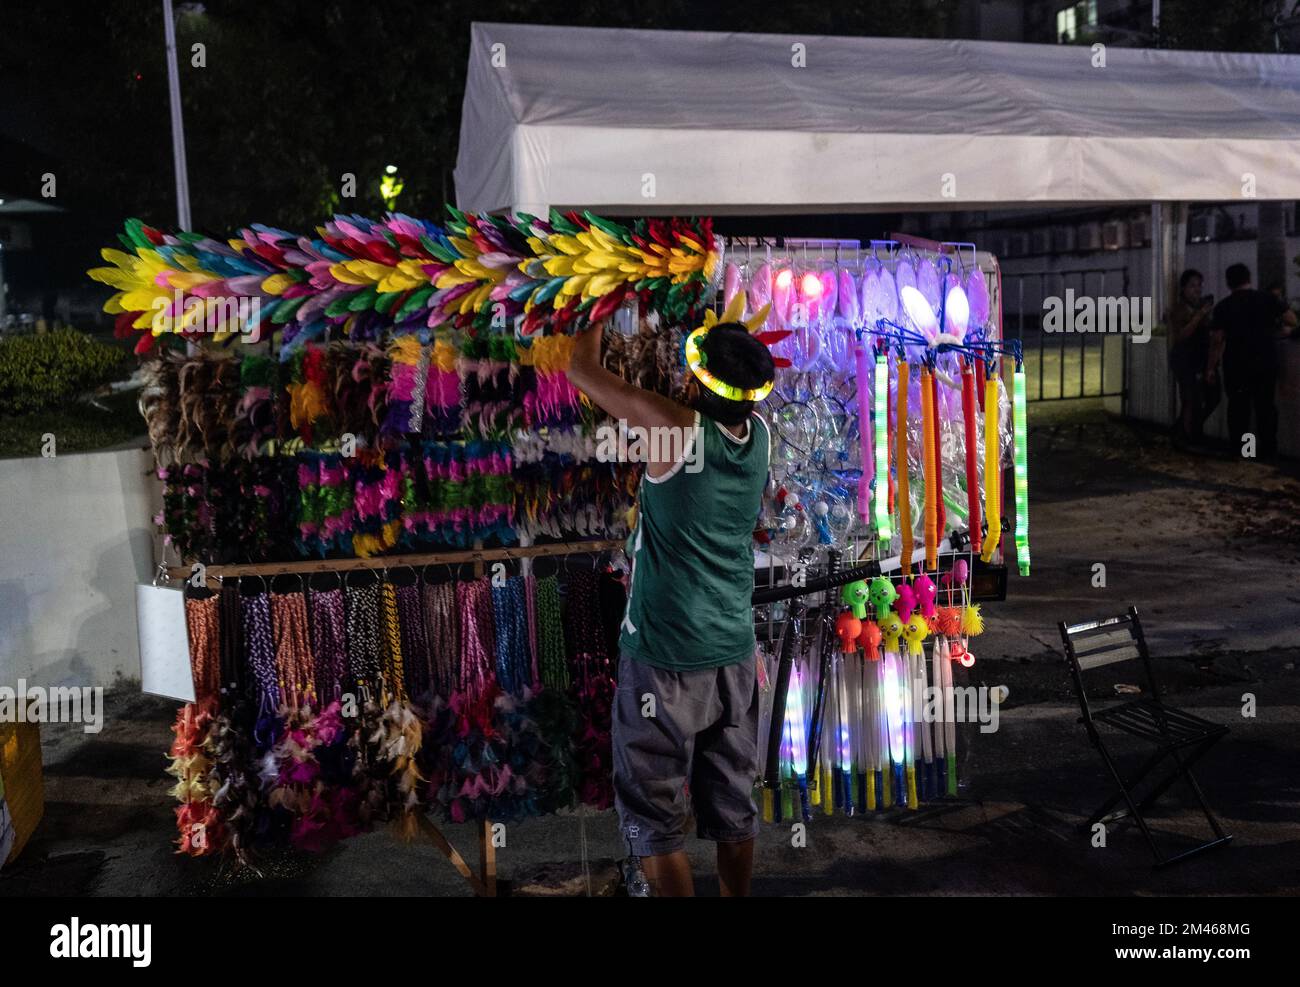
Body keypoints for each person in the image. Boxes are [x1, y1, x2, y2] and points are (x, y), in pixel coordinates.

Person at [567, 300, 776, 897]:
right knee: (734, 802)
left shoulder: (673, 427)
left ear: (694, 378)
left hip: (664, 656)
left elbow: (582, 373)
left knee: (655, 818)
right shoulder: (756, 434)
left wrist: (596, 305)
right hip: (734, 653)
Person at [1209, 263, 1298, 460]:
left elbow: (1217, 341)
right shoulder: (1268, 299)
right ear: (1249, 278)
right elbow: (1292, 320)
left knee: (1239, 410)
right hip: (1265, 363)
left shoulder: (1223, 307)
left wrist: (1210, 368)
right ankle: (1268, 452)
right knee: (1265, 408)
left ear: (1228, 283)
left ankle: (1243, 451)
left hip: (1237, 365)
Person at [1166, 269, 1216, 445]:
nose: (1197, 289)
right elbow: (1181, 335)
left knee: (1211, 396)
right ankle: (1189, 435)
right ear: (1184, 288)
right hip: (1184, 358)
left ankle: (1185, 429)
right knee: (1190, 397)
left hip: (1200, 357)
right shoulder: (1179, 309)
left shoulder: (1200, 306)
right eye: (1193, 285)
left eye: (1199, 285)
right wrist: (1200, 315)